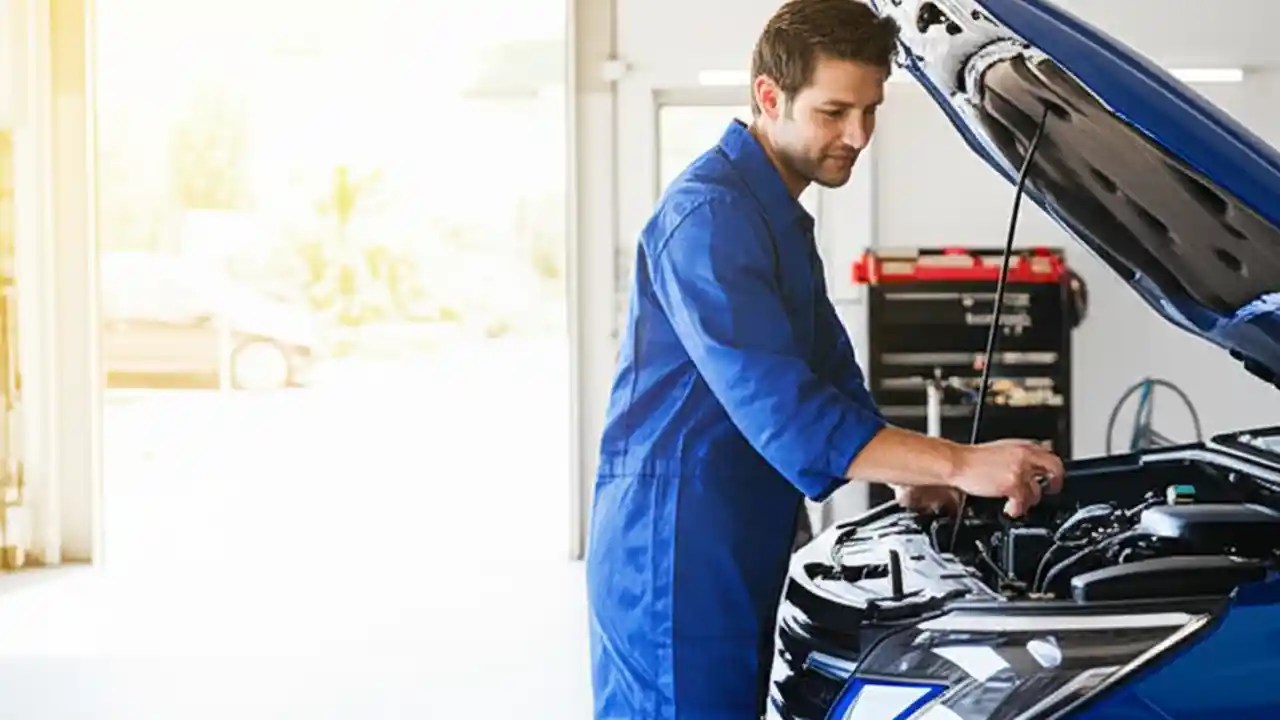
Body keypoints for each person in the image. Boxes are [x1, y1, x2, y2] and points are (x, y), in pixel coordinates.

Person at [584, 1, 1066, 718]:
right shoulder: (710, 218)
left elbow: (830, 373)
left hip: (734, 532)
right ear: (768, 96)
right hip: (676, 549)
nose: (859, 135)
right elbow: (790, 414)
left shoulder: (771, 210)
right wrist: (962, 463)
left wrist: (910, 475)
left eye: (871, 109)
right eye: (835, 111)